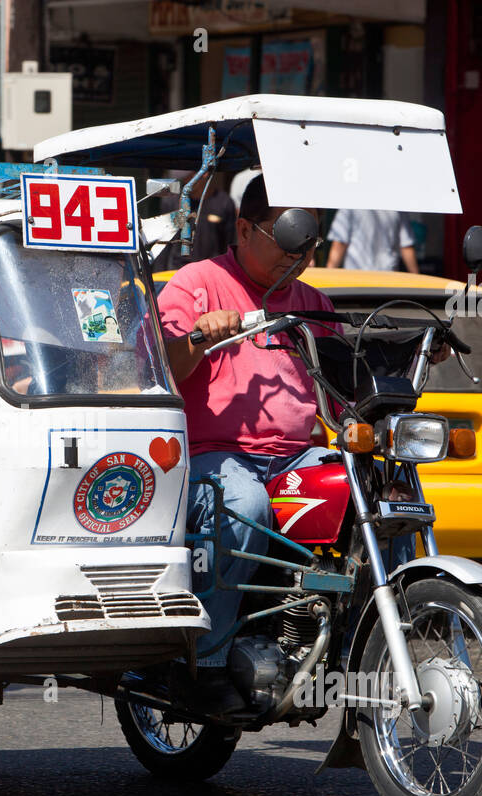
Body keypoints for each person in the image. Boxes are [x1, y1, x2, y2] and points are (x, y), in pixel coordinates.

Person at [158, 176, 341, 711]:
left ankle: (357, 640)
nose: (300, 254)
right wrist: (198, 335)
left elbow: (345, 383)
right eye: (288, 238)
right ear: (243, 228)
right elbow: (165, 363)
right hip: (211, 457)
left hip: (292, 456)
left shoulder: (312, 302)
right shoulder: (197, 283)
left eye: (309, 242)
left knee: (367, 484)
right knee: (245, 503)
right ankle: (205, 662)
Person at [326, 207, 419, 273]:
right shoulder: (397, 207)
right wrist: (417, 282)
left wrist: (328, 278)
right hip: (387, 276)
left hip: (355, 277)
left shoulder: (350, 205)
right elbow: (406, 246)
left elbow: (339, 244)